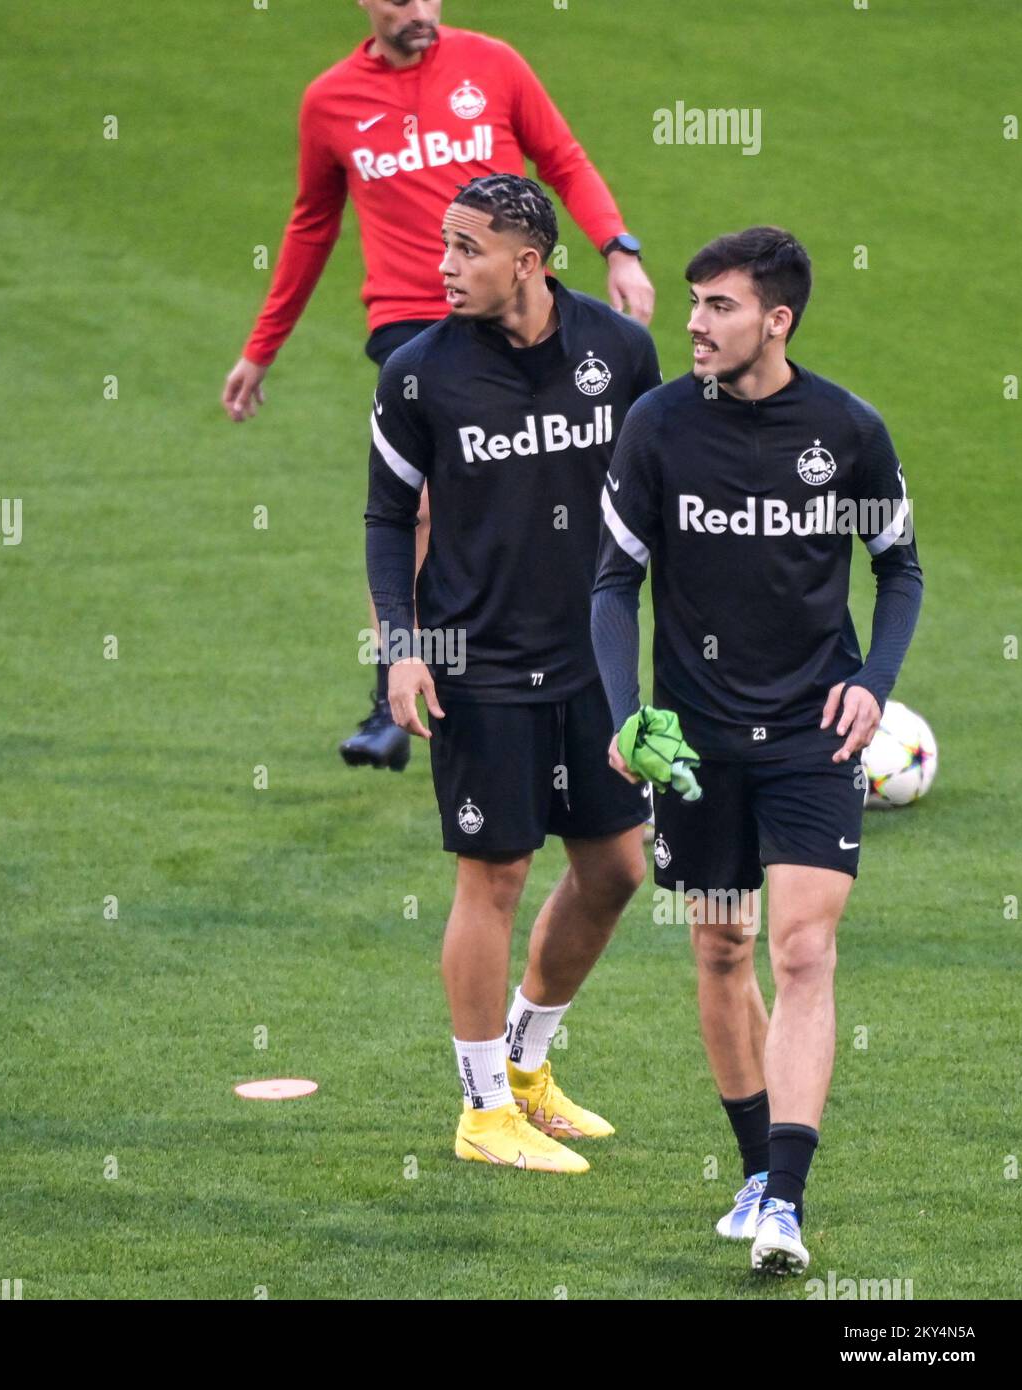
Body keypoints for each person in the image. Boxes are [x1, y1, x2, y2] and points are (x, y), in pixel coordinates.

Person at [591, 227, 923, 1266]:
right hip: (693, 742)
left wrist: (871, 686)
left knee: (801, 948)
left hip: (809, 735)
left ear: (774, 321)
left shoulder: (845, 429)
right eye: (691, 303)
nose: (692, 323)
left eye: (718, 306)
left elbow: (898, 569)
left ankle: (783, 1199)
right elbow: (613, 581)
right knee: (719, 944)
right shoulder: (654, 427)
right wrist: (623, 713)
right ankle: (748, 1171)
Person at [222, 0, 655, 769]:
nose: (419, 10)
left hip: (520, 322)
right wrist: (263, 347)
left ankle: (565, 671)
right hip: (412, 328)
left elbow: (562, 158)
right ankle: (393, 684)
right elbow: (311, 224)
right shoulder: (330, 102)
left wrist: (617, 247)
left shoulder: (494, 63)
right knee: (416, 506)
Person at [366, 174, 660, 1171]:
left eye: (464, 249)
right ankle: (481, 1108)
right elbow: (382, 516)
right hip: (475, 661)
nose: (441, 266)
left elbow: (651, 497)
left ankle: (529, 1067)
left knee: (616, 867)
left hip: (590, 661)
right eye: (442, 246)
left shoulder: (617, 352)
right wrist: (400, 645)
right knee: (492, 878)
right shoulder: (416, 373)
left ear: (526, 262)